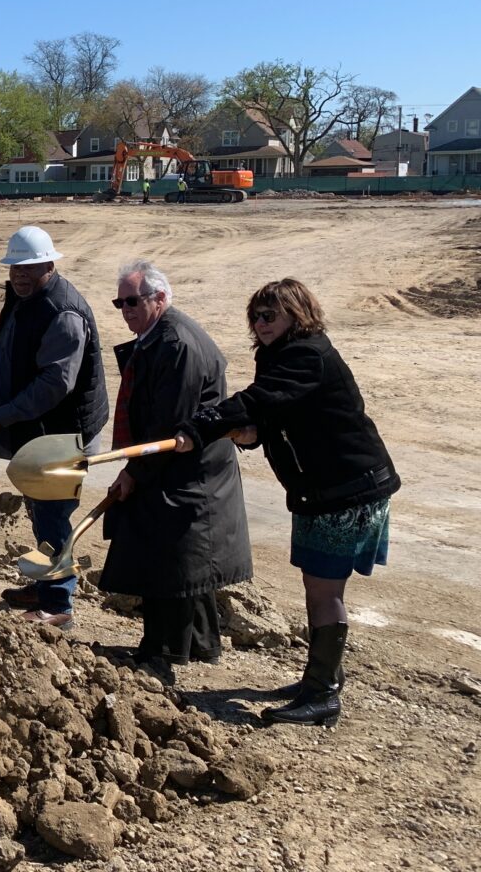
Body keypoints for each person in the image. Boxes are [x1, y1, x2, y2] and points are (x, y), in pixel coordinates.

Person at [176, 278, 400, 727]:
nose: (260, 324)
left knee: (324, 591)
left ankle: (323, 694)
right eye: (255, 316)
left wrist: (203, 426)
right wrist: (249, 433)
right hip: (328, 489)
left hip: (346, 491)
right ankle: (319, 679)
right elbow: (277, 414)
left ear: (297, 315)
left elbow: (261, 399)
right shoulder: (283, 356)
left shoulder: (306, 355)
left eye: (270, 315)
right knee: (318, 587)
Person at [97, 261, 253, 684]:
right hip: (184, 468)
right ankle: (201, 644)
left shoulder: (177, 344)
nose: (125, 309)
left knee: (167, 561)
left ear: (160, 299)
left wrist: (134, 472)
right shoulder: (160, 337)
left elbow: (170, 424)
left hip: (187, 471)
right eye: (120, 302)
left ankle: (161, 655)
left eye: (133, 301)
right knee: (186, 563)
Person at [0, 226, 108, 627]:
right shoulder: (24, 296)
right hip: (38, 429)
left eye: (29, 267)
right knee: (39, 508)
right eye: (15, 266)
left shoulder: (63, 312)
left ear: (49, 265)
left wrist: (2, 414)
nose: (19, 274)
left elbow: (55, 384)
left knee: (53, 513)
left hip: (63, 432)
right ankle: (44, 584)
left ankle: (58, 607)